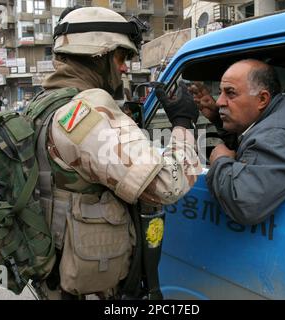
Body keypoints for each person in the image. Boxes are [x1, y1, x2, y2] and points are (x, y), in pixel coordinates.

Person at [29, 6, 201, 300]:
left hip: (59, 268)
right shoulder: (86, 111)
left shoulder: (45, 103)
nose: (124, 68)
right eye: (121, 57)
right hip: (88, 287)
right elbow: (167, 185)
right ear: (99, 54)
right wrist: (183, 124)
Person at [203, 59, 285, 225]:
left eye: (230, 93)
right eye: (221, 92)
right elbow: (251, 138)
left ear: (262, 99)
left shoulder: (278, 137)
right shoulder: (278, 115)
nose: (219, 102)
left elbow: (244, 204)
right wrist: (218, 119)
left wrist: (220, 161)